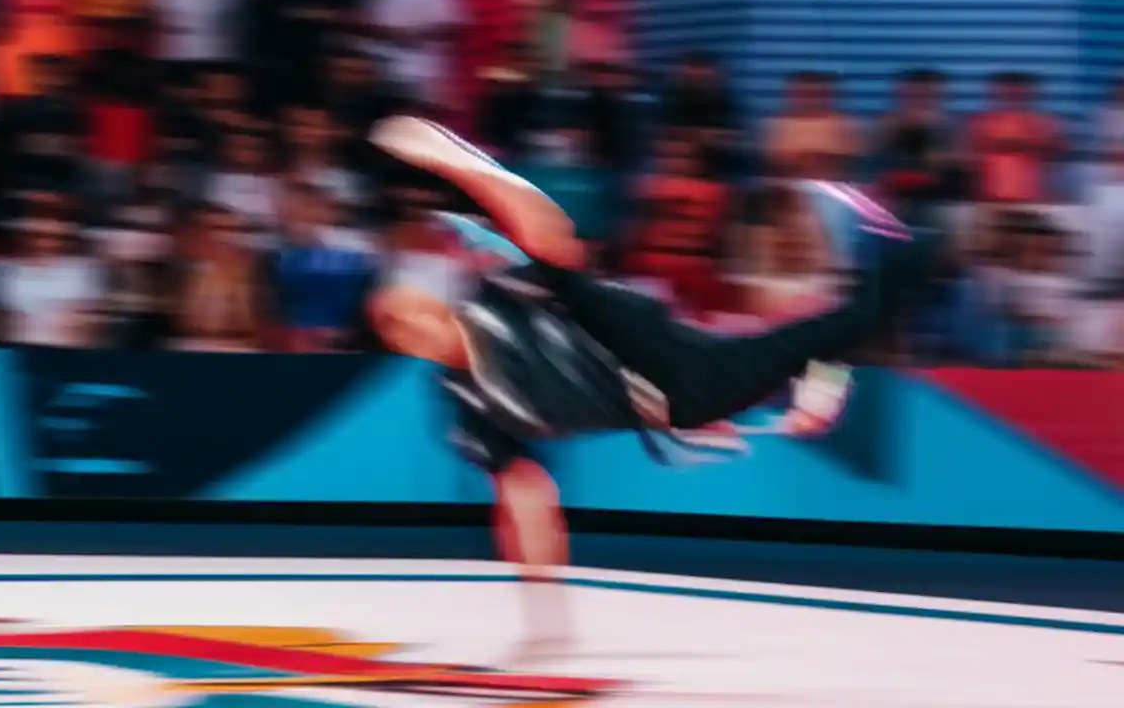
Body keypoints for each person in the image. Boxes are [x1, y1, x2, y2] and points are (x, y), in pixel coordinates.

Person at [364, 116, 933, 654]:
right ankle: (832, 355)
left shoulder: (496, 298)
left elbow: (550, 237)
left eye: (411, 314)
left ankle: (906, 244)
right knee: (819, 333)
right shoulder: (464, 400)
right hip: (676, 390)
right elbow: (528, 499)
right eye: (396, 329)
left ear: (435, 307)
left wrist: (455, 165)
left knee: (557, 257)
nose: (409, 330)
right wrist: (546, 624)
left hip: (647, 342)